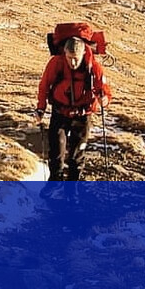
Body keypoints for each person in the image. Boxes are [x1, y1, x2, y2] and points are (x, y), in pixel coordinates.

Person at [36, 37, 106, 186]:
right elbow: (44, 86)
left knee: (77, 154)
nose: (73, 62)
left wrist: (104, 99)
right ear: (64, 53)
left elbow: (103, 90)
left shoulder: (93, 66)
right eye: (69, 58)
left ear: (83, 54)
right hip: (60, 112)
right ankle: (55, 184)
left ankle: (72, 187)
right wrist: (40, 109)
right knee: (56, 152)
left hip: (83, 115)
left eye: (76, 58)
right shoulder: (56, 63)